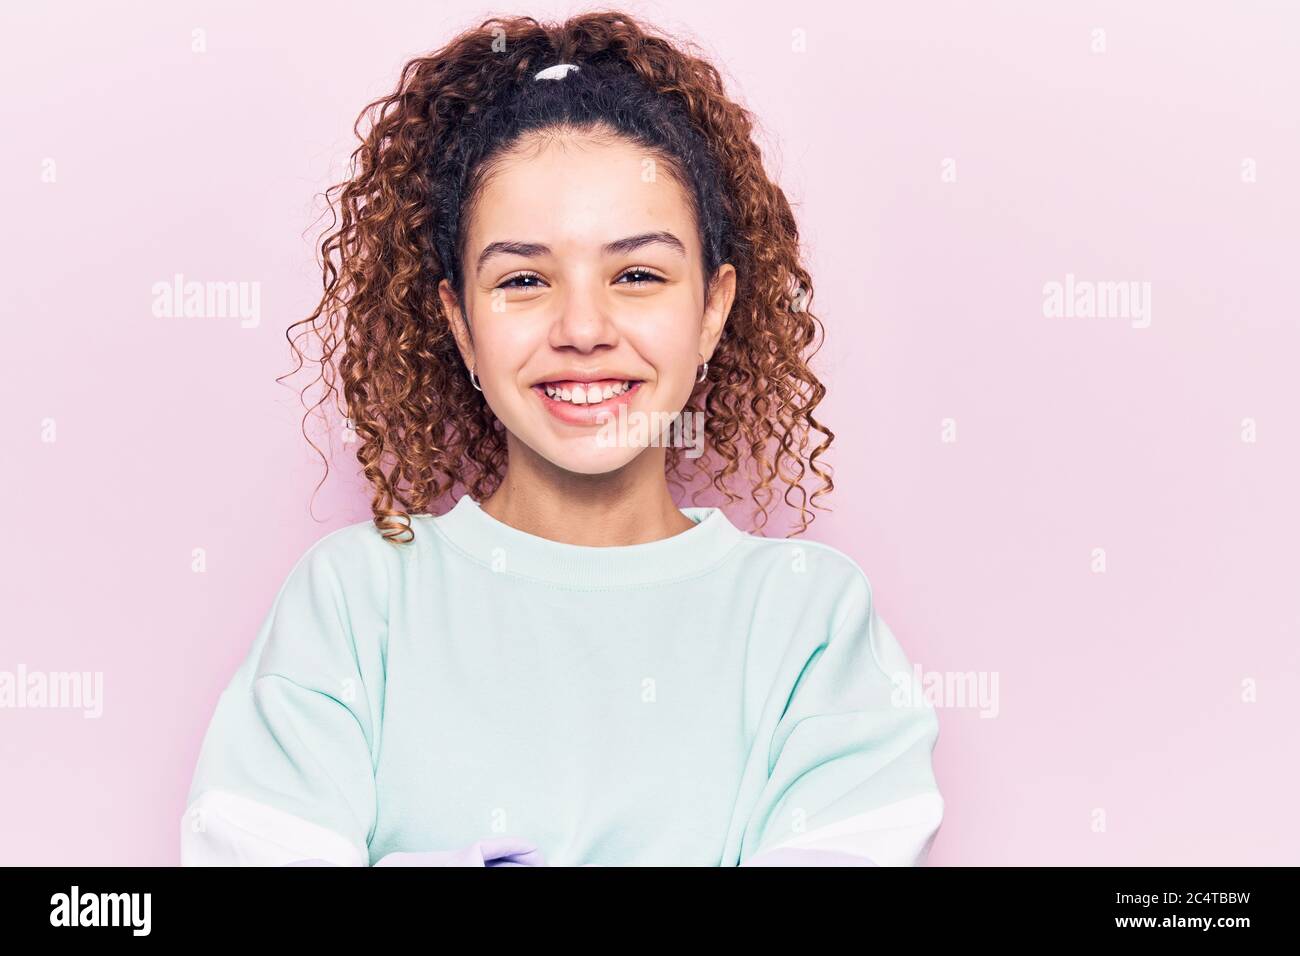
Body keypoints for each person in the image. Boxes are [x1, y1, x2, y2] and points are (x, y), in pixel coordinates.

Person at [180, 10, 944, 867]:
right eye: (523, 279)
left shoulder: (810, 624)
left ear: (713, 310)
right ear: (460, 324)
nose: (583, 327)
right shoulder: (355, 607)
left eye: (638, 275)